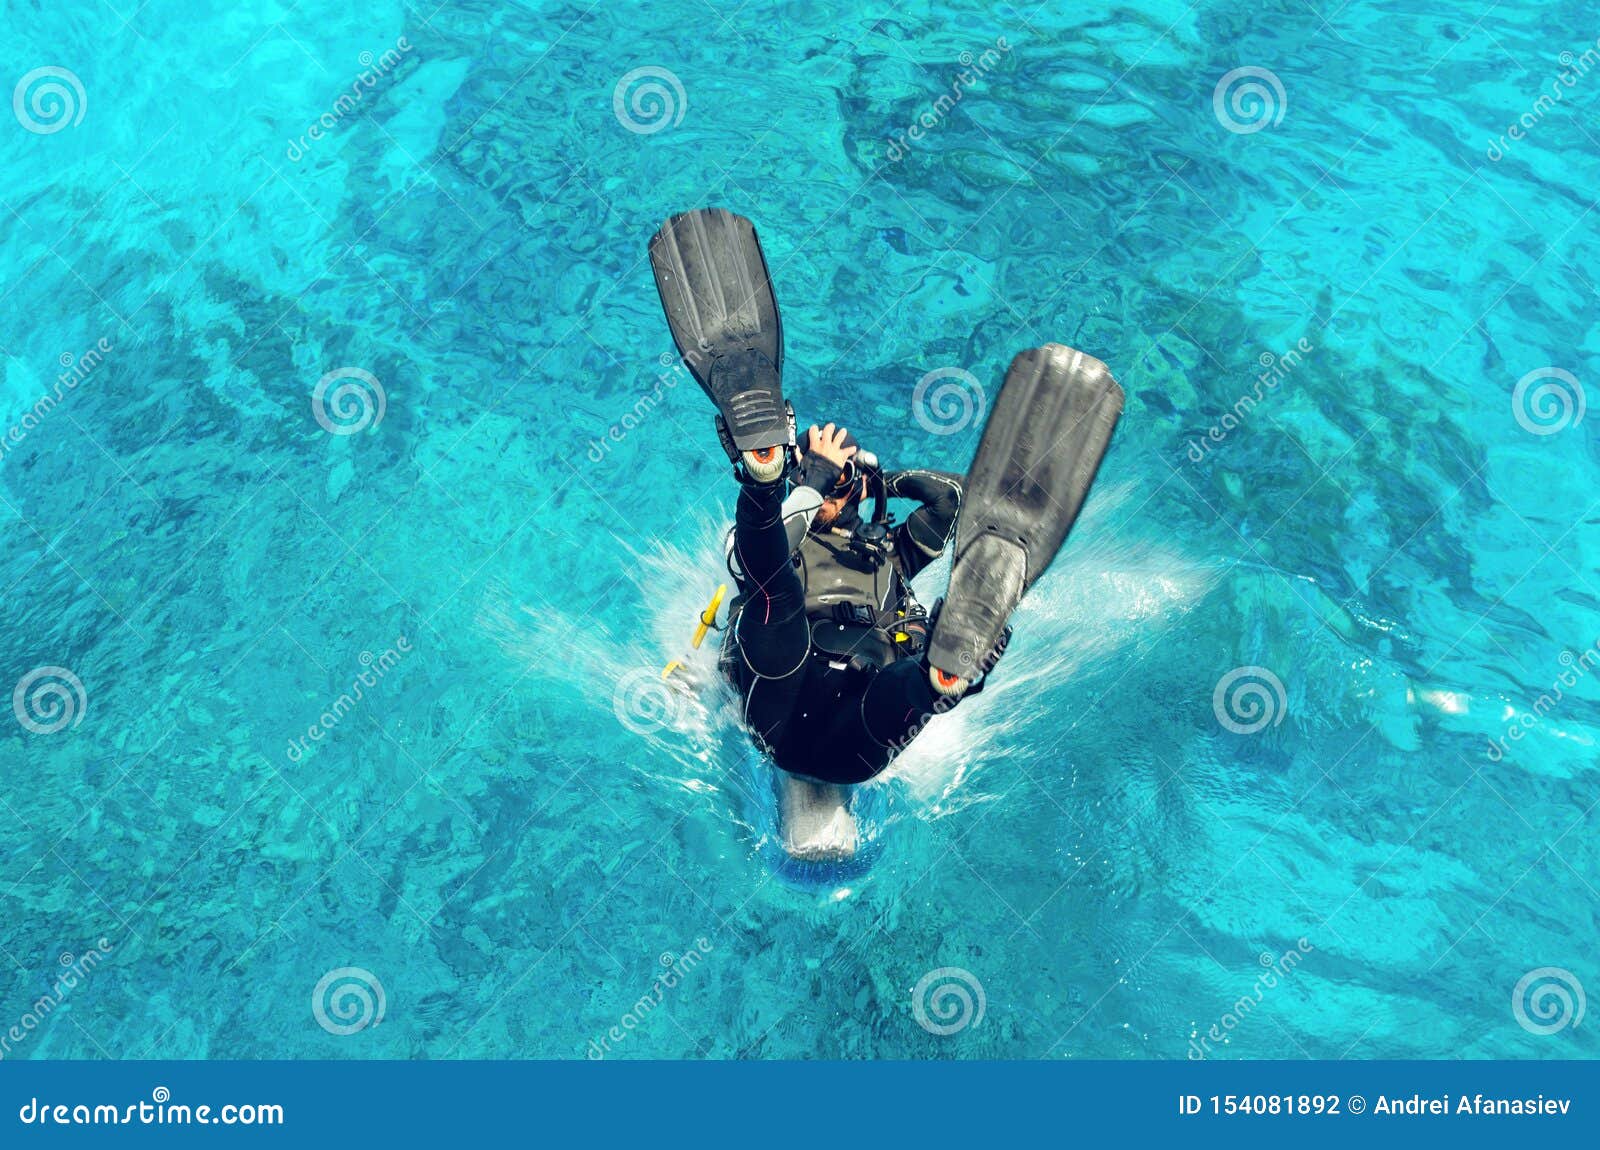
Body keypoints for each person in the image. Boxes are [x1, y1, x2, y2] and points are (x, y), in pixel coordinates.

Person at [649, 209, 1123, 854]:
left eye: (841, 484)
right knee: (772, 588)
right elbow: (762, 557)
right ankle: (761, 470)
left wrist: (885, 480)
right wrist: (803, 479)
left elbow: (958, 502)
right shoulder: (782, 536)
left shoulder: (890, 552)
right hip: (777, 695)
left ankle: (950, 669)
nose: (830, 493)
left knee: (921, 678)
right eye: (817, 480)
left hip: (859, 728)